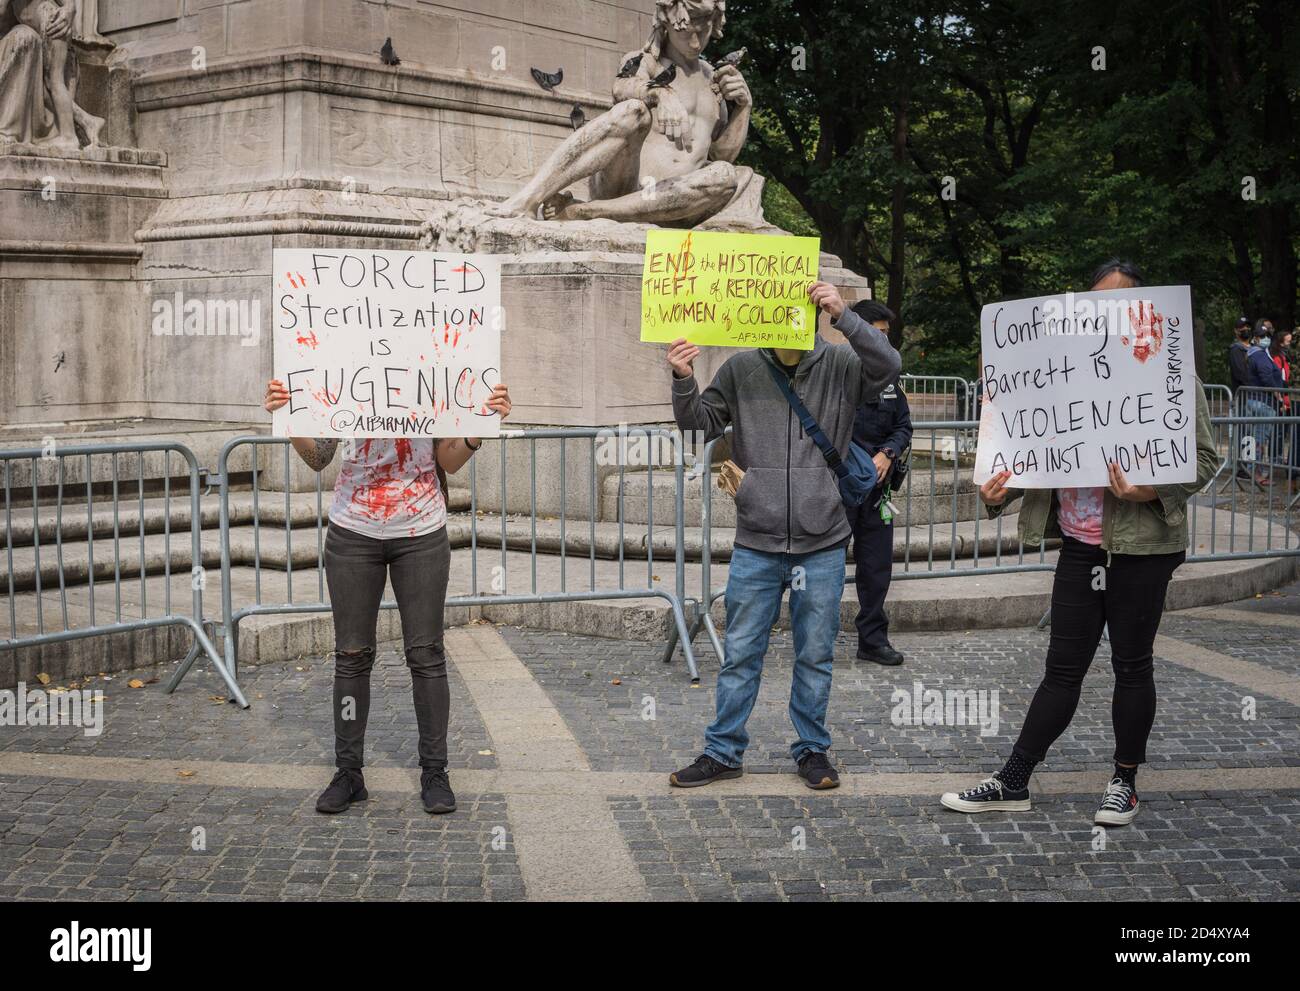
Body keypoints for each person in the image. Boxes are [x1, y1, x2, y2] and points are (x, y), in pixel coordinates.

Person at [941, 260, 1220, 827]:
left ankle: (1124, 781)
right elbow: (1033, 450)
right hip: (1080, 548)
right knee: (1061, 669)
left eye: (1118, 302)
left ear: (1142, 309)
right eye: (1095, 301)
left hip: (1142, 551)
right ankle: (1015, 778)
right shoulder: (1056, 370)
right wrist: (998, 492)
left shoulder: (1168, 371)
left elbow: (1207, 458)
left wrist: (1152, 490)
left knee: (1131, 665)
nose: (1105, 312)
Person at [666, 282, 901, 790]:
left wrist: (846, 316)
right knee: (741, 653)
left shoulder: (841, 364)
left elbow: (888, 367)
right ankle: (723, 751)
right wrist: (683, 378)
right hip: (757, 538)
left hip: (822, 540)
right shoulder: (740, 367)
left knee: (815, 654)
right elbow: (700, 426)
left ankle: (812, 750)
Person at [263, 378, 512, 816]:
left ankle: (435, 772)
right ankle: (348, 772)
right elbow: (319, 456)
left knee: (427, 654)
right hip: (352, 531)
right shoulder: (343, 367)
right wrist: (287, 416)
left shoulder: (434, 368)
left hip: (421, 530)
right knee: (351, 654)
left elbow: (448, 461)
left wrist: (478, 428)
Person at [845, 300, 912, 666]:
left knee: (876, 568)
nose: (887, 342)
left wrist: (888, 451)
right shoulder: (834, 368)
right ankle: (816, 640)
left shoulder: (890, 379)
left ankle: (872, 639)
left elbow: (903, 425)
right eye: (880, 334)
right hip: (837, 487)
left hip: (876, 492)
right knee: (819, 568)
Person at [1244, 318, 1284, 484]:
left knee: (1254, 438)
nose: (1266, 338)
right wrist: (1278, 394)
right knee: (1260, 439)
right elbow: (1267, 377)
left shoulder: (1253, 353)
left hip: (1254, 401)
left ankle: (1252, 471)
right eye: (1263, 336)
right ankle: (1257, 474)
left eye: (1268, 335)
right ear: (1257, 338)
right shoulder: (1260, 355)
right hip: (1263, 402)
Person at [1227, 316, 1253, 393]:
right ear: (1236, 331)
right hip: (1243, 395)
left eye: (1247, 326)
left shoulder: (1254, 348)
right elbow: (1240, 374)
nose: (1245, 329)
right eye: (1242, 327)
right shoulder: (1235, 349)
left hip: (1255, 395)